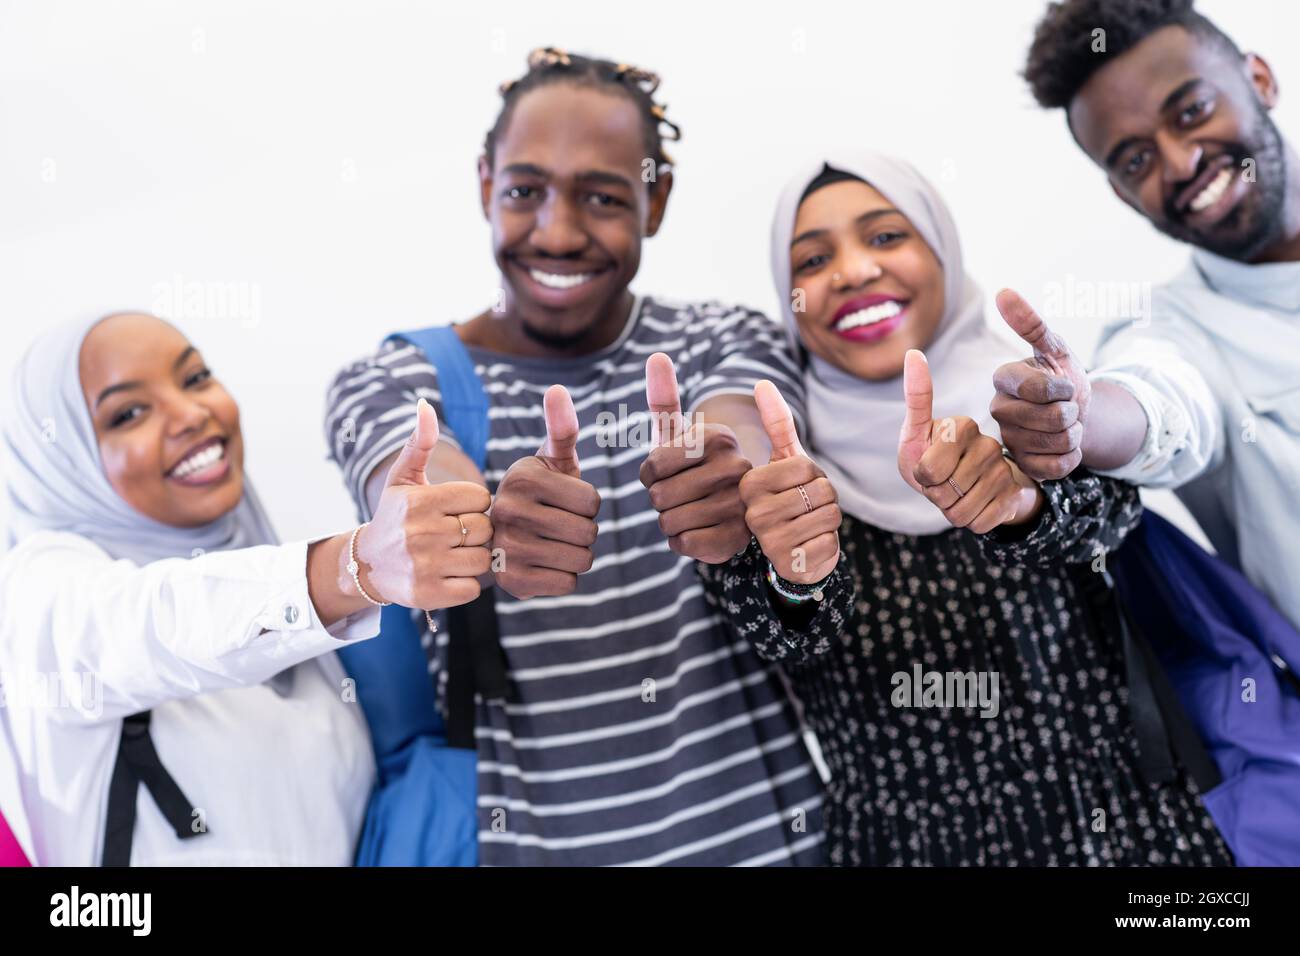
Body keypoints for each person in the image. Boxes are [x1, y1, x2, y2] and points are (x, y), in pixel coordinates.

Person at [324, 48, 829, 866]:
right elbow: (413, 485)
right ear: (485, 183)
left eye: (600, 196)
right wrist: (478, 527)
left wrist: (725, 471)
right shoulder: (389, 380)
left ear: (654, 198)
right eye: (525, 190)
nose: (557, 232)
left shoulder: (723, 338)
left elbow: (740, 416)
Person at [697, 154, 1233, 866]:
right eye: (814, 259)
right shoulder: (782, 476)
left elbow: (1107, 519)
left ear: (939, 248)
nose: (853, 271)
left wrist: (1023, 499)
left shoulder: (1031, 406)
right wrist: (798, 575)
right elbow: (778, 632)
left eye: (886, 237)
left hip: (1124, 834)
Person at [0, 311, 491, 865]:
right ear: (61, 461)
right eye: (128, 413)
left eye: (195, 378)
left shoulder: (300, 621)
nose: (190, 413)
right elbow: (148, 624)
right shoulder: (38, 592)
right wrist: (355, 566)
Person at [991, 0, 1300, 629]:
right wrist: (1078, 416)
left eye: (1192, 112)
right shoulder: (1173, 334)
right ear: (1120, 192)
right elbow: (1156, 404)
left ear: (1260, 79)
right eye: (1136, 160)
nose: (1182, 164)